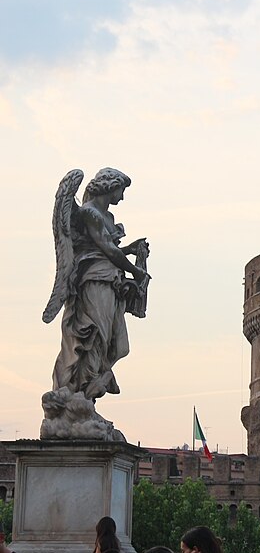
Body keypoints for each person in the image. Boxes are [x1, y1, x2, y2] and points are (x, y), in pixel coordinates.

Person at [45, 167, 151, 400]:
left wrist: (131, 249)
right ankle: (78, 393)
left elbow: (106, 250)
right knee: (93, 336)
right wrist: (136, 271)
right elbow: (108, 250)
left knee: (115, 343)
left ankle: (87, 394)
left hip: (109, 281)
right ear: (111, 186)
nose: (122, 197)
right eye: (121, 191)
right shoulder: (89, 213)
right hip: (93, 281)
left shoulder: (107, 217)